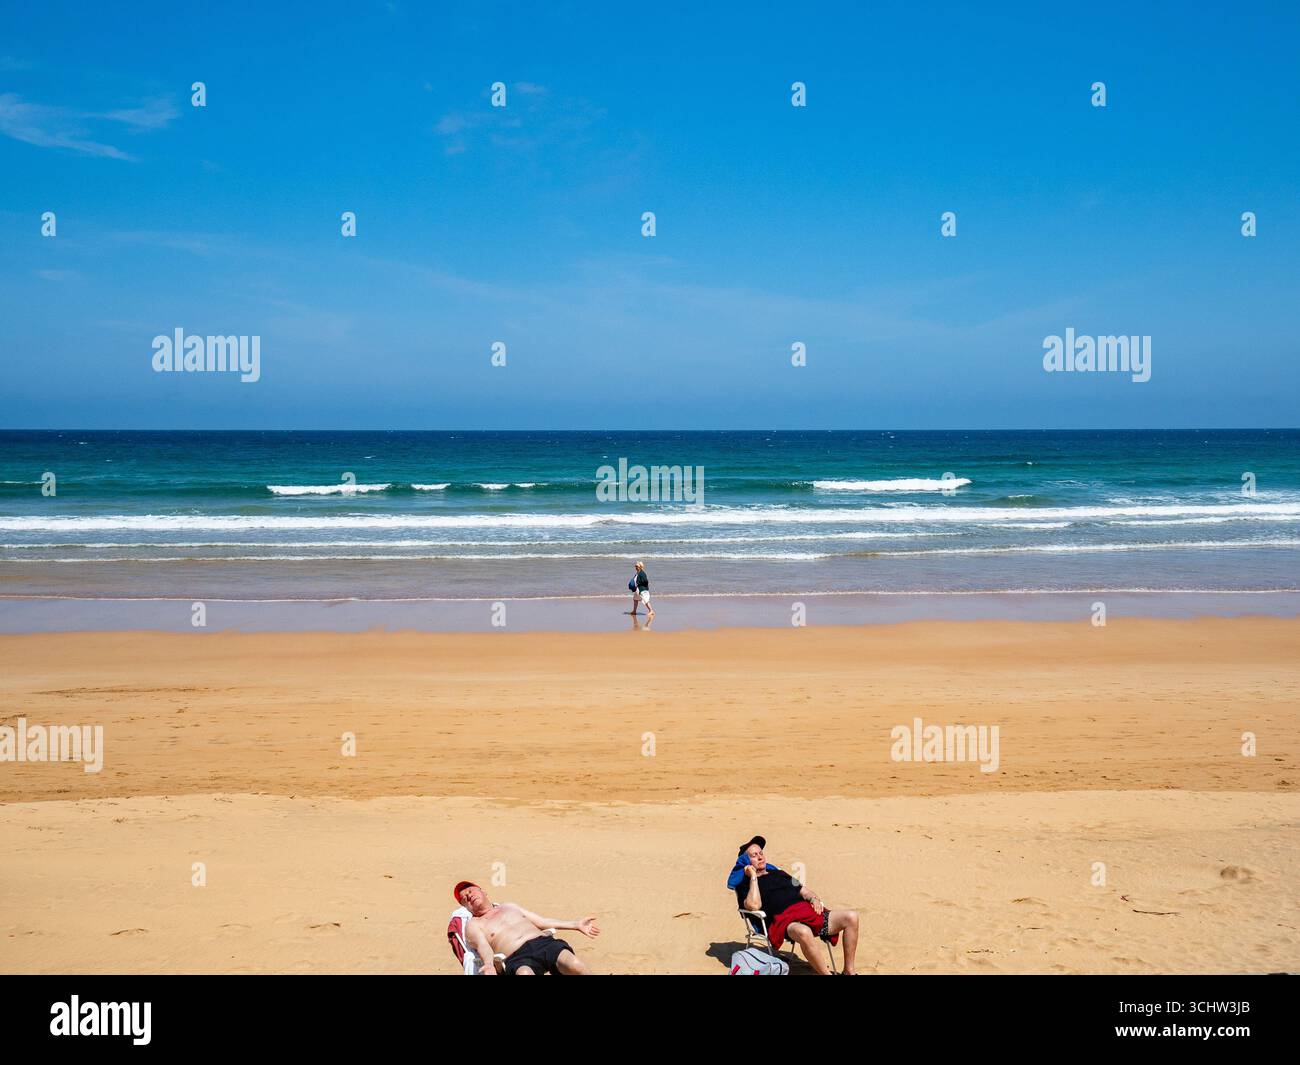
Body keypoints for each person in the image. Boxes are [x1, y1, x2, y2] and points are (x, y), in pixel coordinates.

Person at [733, 835, 860, 975]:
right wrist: (753, 877)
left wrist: (814, 899)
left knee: (851, 917)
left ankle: (849, 971)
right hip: (784, 923)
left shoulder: (779, 873)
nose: (760, 857)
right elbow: (754, 906)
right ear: (746, 862)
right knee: (803, 931)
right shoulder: (745, 885)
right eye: (754, 855)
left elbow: (805, 892)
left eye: (761, 853)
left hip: (808, 913)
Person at [453, 880, 600, 975]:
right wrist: (489, 965)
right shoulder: (474, 924)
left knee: (575, 965)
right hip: (516, 957)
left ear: (483, 891)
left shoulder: (509, 906)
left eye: (471, 891)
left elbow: (541, 922)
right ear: (465, 906)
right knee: (524, 974)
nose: (469, 896)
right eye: (464, 898)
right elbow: (483, 947)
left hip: (543, 943)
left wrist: (575, 924)